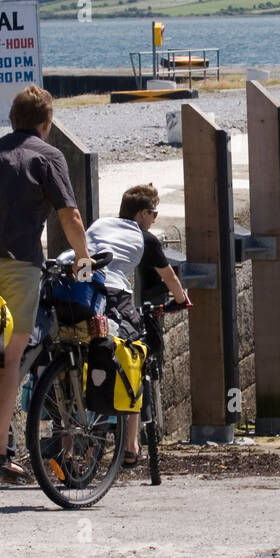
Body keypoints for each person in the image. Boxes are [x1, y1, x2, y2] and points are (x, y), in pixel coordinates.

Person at [0, 85, 94, 482]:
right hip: (15, 264)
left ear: (13, 118)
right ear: (45, 123)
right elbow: (70, 216)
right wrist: (83, 260)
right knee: (8, 357)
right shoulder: (49, 155)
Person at [85, 183, 191, 468]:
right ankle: (131, 446)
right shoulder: (143, 237)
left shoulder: (100, 224)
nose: (155, 219)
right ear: (143, 213)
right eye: (154, 214)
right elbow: (169, 277)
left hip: (81, 290)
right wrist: (182, 301)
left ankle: (69, 449)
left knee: (78, 354)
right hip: (113, 293)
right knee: (136, 356)